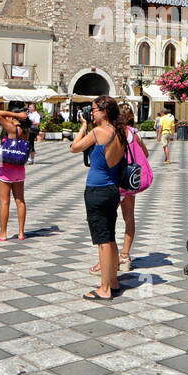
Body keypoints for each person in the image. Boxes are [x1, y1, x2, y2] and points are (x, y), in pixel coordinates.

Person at [70, 95, 127, 301]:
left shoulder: (98, 132)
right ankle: (113, 280)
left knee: (102, 241)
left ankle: (104, 288)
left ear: (104, 111)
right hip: (112, 190)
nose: (91, 112)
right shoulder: (119, 132)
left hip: (97, 190)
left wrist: (83, 127)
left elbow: (74, 147)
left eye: (94, 109)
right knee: (110, 237)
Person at [91, 104, 150, 275]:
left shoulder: (110, 132)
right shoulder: (134, 134)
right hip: (128, 182)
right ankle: (125, 255)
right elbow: (144, 154)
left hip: (113, 183)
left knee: (106, 221)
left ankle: (104, 261)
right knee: (129, 218)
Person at [0, 105, 31, 242]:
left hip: (6, 170)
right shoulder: (25, 130)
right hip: (19, 170)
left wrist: (17, 115)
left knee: (4, 202)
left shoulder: (12, 129)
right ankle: (21, 232)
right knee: (20, 201)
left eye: (10, 117)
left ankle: (3, 233)